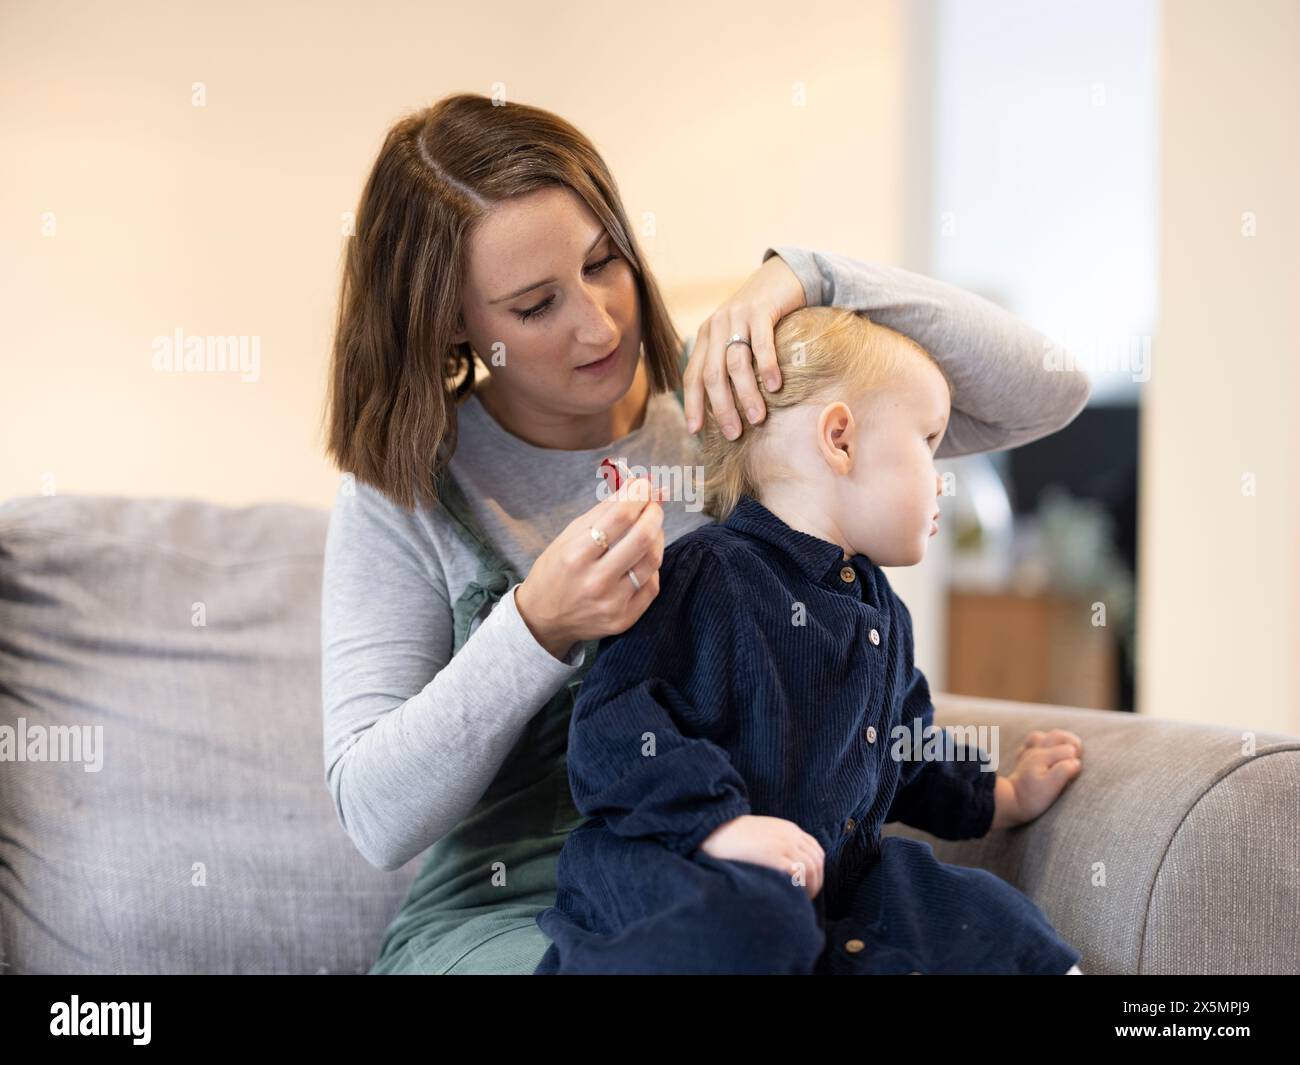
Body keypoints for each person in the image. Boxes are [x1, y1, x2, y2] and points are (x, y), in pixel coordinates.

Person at [319, 93, 1092, 975]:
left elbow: (1052, 387)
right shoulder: (407, 492)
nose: (600, 323)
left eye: (605, 260)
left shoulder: (736, 419)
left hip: (754, 894)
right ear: (454, 323)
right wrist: (536, 626)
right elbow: (376, 820)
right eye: (535, 305)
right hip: (507, 919)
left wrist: (810, 277)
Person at [534, 307, 1087, 974]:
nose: (941, 479)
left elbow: (905, 749)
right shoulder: (708, 572)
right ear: (841, 439)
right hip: (681, 865)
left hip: (827, 886)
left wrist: (1000, 796)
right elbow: (612, 726)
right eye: (929, 441)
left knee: (969, 904)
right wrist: (720, 824)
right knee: (758, 924)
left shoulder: (882, 609)